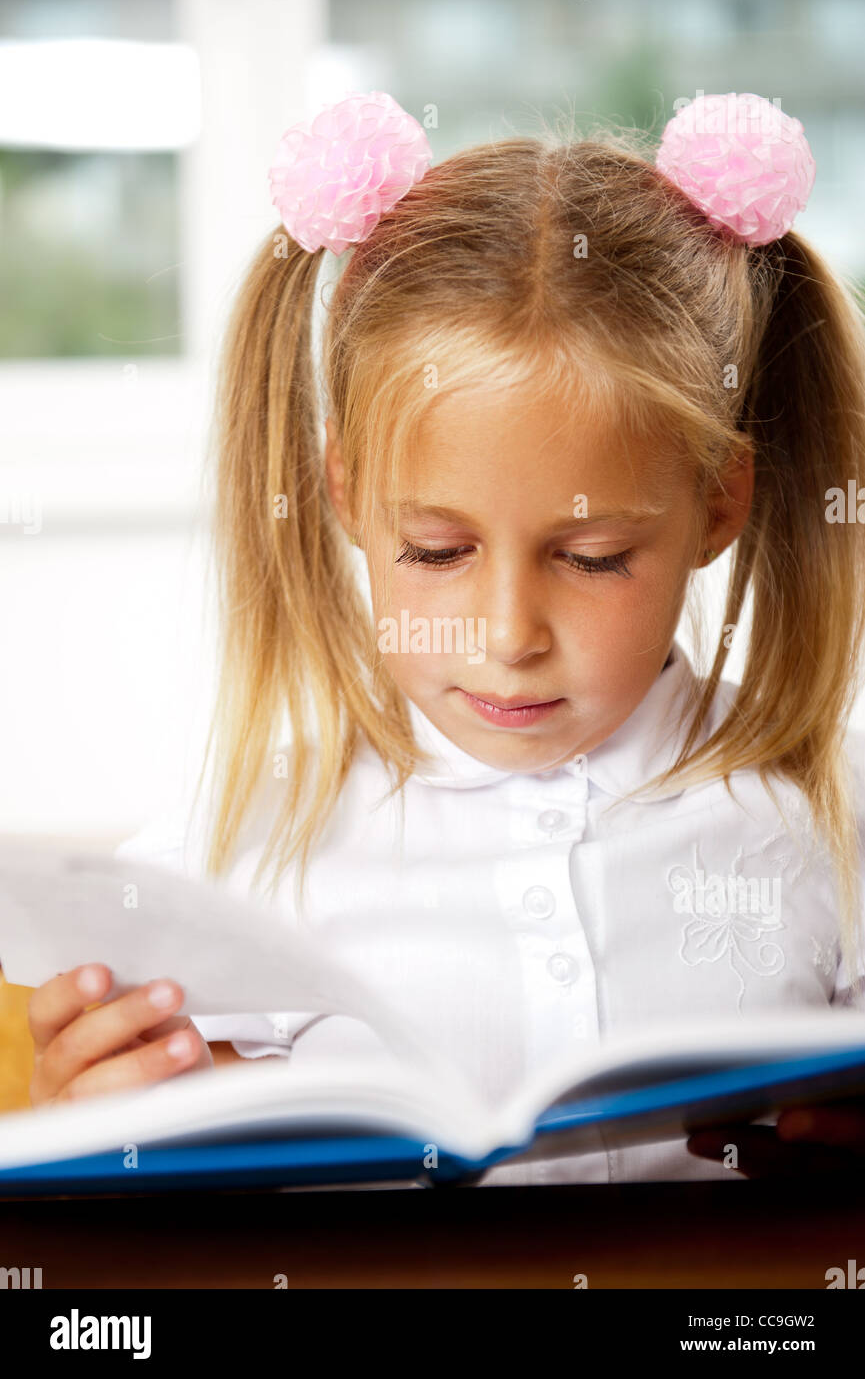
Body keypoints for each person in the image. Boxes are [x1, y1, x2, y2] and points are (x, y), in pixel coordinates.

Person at [27, 91, 865, 1183]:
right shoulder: (229, 848)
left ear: (717, 503)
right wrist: (90, 1125)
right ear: (343, 496)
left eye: (594, 556)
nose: (507, 634)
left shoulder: (827, 815)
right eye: (434, 551)